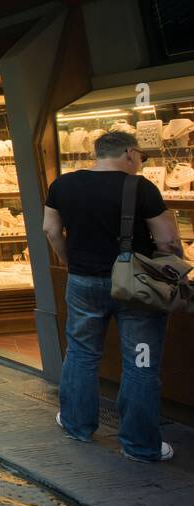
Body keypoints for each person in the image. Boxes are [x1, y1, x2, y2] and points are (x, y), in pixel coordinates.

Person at [43, 130, 179, 462]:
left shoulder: (62, 185)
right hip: (136, 287)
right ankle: (140, 446)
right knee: (140, 362)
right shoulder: (141, 187)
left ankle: (76, 424)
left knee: (81, 352)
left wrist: (69, 260)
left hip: (83, 282)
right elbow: (167, 242)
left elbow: (50, 229)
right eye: (141, 159)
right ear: (131, 154)